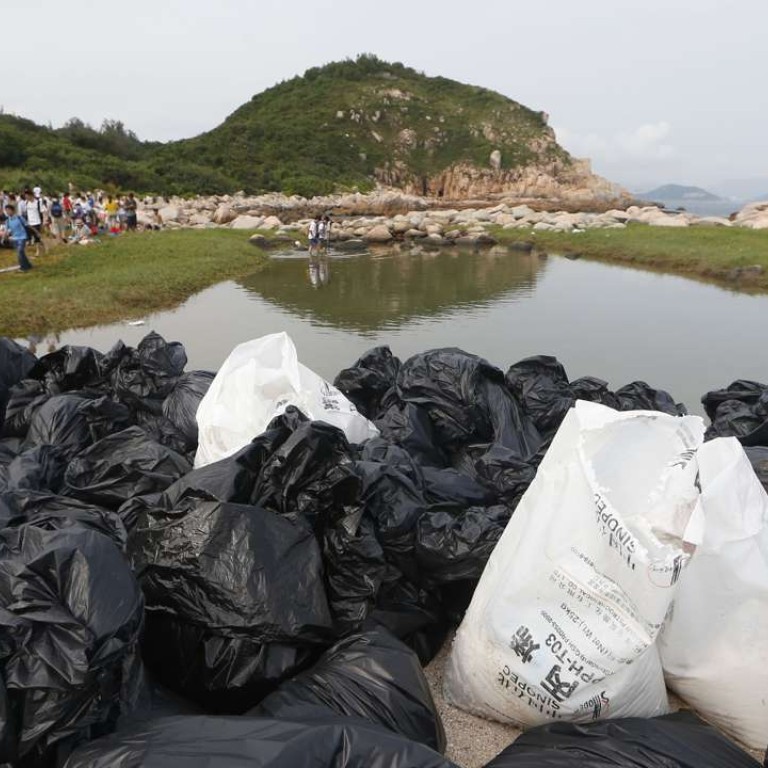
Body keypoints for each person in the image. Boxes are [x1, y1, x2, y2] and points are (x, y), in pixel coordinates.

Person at [3, 204, 33, 272]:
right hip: (15, 239)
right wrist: (4, 238)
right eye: (6, 210)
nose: (7, 212)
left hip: (22, 237)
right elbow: (6, 230)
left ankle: (23, 268)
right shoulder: (7, 221)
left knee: (20, 251)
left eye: (8, 210)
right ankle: (28, 265)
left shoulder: (19, 218)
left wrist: (36, 232)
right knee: (21, 253)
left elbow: (27, 225)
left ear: (13, 210)